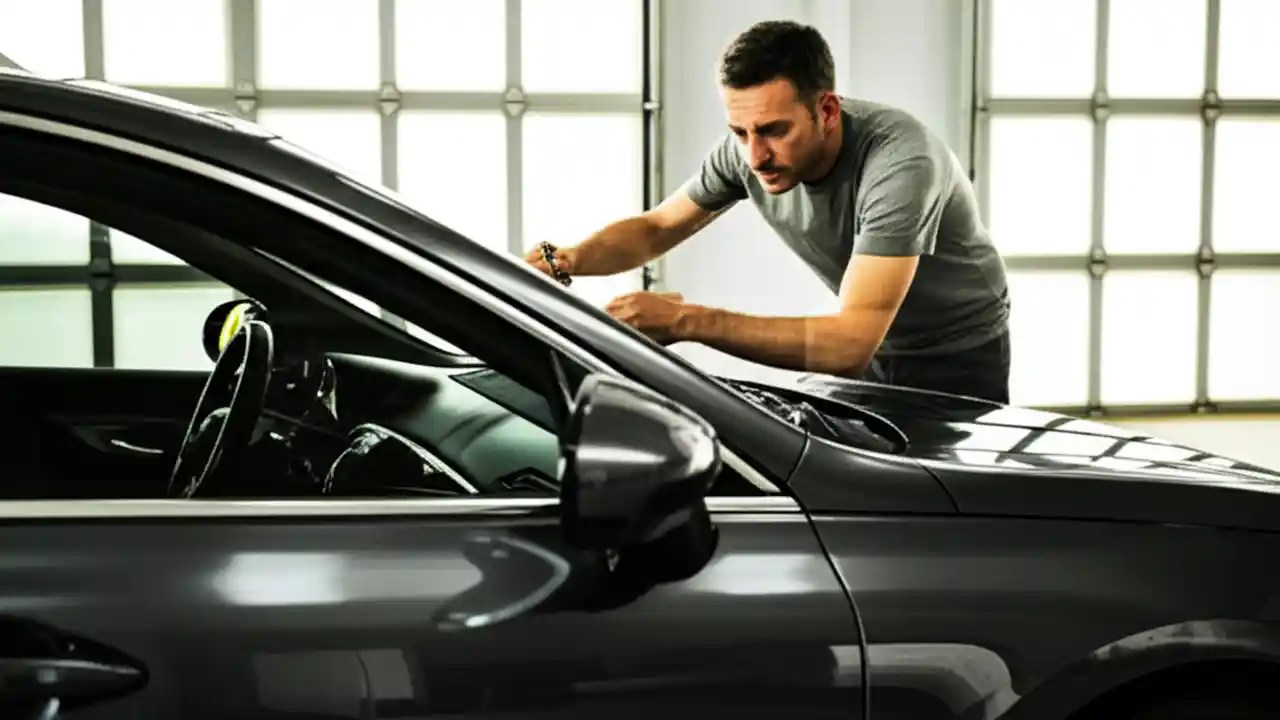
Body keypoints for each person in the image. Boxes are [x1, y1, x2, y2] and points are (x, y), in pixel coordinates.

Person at [525, 20, 1011, 404]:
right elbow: (657, 227)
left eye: (774, 130)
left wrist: (685, 321)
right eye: (740, 132)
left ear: (825, 110)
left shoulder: (902, 162)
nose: (755, 156)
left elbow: (849, 344)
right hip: (873, 348)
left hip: (957, 353)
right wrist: (567, 259)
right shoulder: (747, 151)